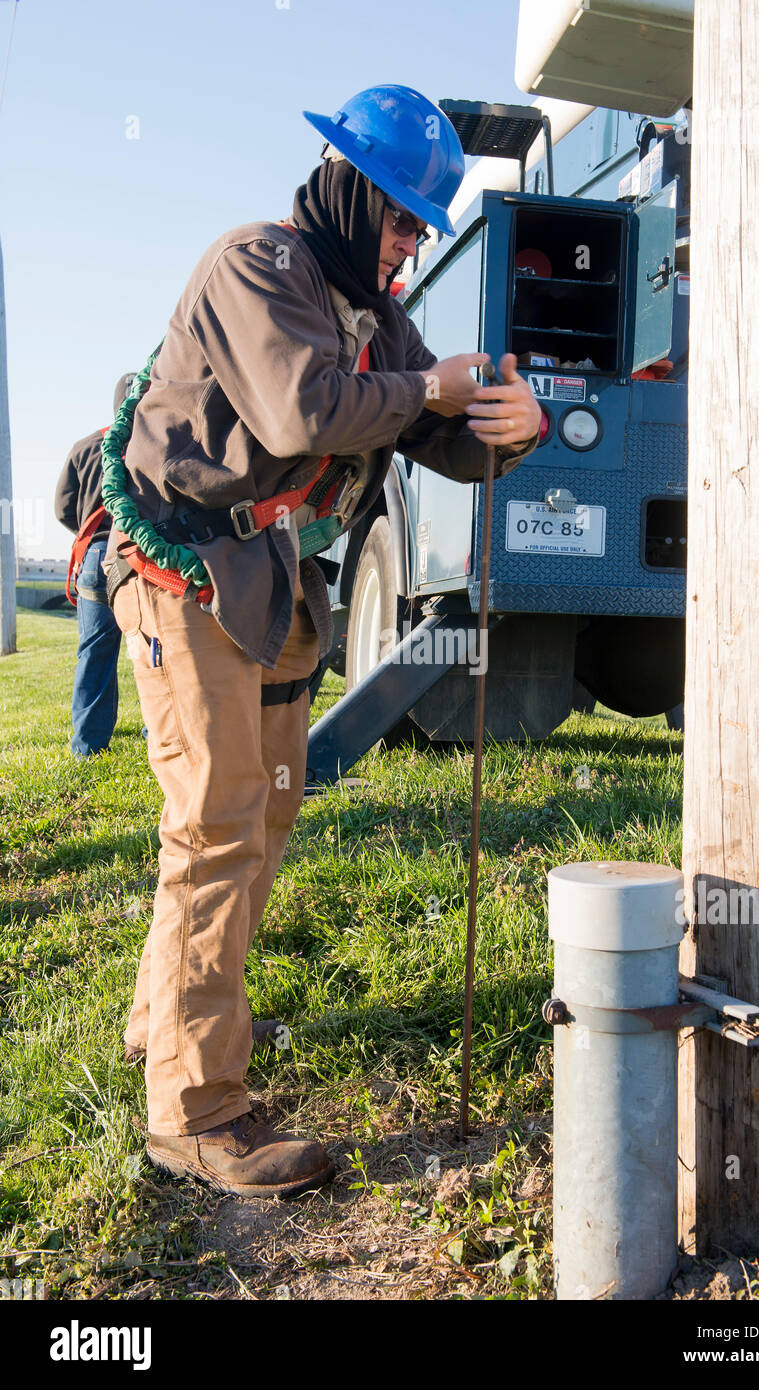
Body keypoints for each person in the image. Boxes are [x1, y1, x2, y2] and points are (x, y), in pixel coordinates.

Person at [102, 85, 541, 1200]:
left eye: (418, 231)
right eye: (399, 219)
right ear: (349, 188)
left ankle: (164, 1024)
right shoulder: (257, 264)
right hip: (185, 567)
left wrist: (510, 429)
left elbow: (441, 435)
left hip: (272, 584)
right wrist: (427, 387)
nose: (407, 247)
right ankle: (196, 1113)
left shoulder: (379, 318)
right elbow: (305, 413)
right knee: (216, 819)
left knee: (264, 808)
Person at [55, 373, 135, 757]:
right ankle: (162, 739)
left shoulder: (85, 446)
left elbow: (63, 509)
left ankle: (88, 746)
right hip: (139, 555)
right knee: (154, 651)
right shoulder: (152, 444)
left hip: (93, 555)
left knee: (95, 652)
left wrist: (90, 534)